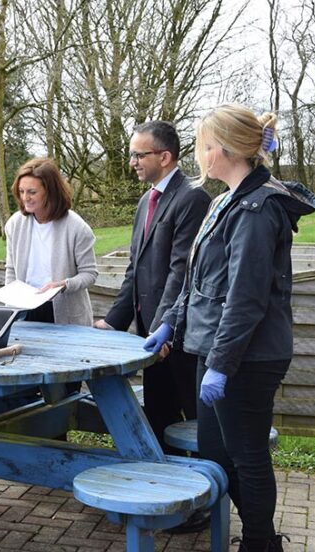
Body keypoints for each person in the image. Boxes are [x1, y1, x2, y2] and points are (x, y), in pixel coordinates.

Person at [147, 105, 315, 552]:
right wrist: (169, 323)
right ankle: (256, 536)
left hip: (248, 357)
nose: (200, 155)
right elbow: (197, 279)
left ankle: (260, 543)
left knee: (247, 456)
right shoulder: (225, 200)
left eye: (204, 146)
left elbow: (246, 298)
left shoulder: (257, 211)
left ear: (223, 150)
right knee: (217, 454)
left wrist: (222, 365)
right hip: (214, 349)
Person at [93, 121, 211, 451]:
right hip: (150, 336)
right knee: (159, 418)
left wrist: (164, 330)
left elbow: (181, 272)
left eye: (138, 155)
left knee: (196, 425)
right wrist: (113, 322)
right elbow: (136, 268)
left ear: (165, 157)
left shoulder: (192, 198)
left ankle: (206, 481)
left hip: (180, 337)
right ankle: (167, 478)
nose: (132, 162)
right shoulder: (147, 201)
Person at [0, 157, 98, 416]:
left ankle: (57, 436)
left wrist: (64, 284)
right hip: (25, 311)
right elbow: (11, 270)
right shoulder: (15, 224)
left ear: (50, 191)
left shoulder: (76, 227)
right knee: (20, 389)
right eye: (21, 192)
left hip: (64, 317)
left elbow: (90, 274)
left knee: (62, 393)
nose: (25, 198)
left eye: (32, 192)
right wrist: (9, 305)